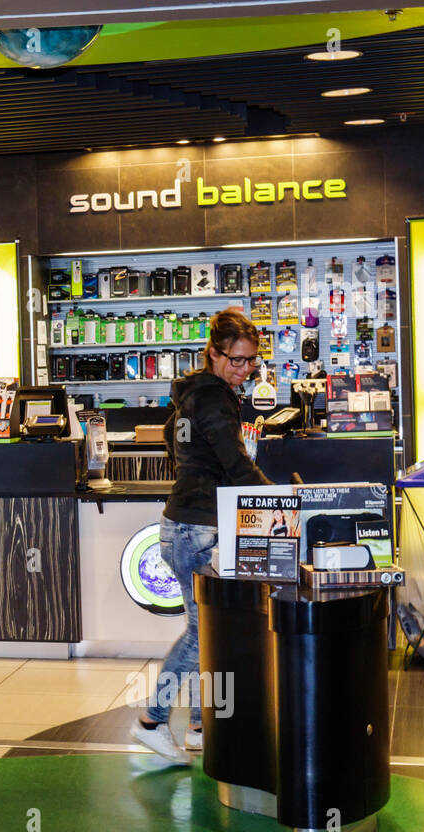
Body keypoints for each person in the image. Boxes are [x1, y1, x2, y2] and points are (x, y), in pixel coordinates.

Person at [131, 308, 271, 765]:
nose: (244, 369)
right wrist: (279, 498)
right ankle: (151, 721)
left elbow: (180, 448)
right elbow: (235, 465)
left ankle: (197, 725)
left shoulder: (192, 395)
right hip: (197, 529)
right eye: (236, 360)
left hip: (184, 524)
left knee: (206, 627)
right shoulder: (214, 400)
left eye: (250, 361)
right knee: (200, 631)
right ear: (213, 354)